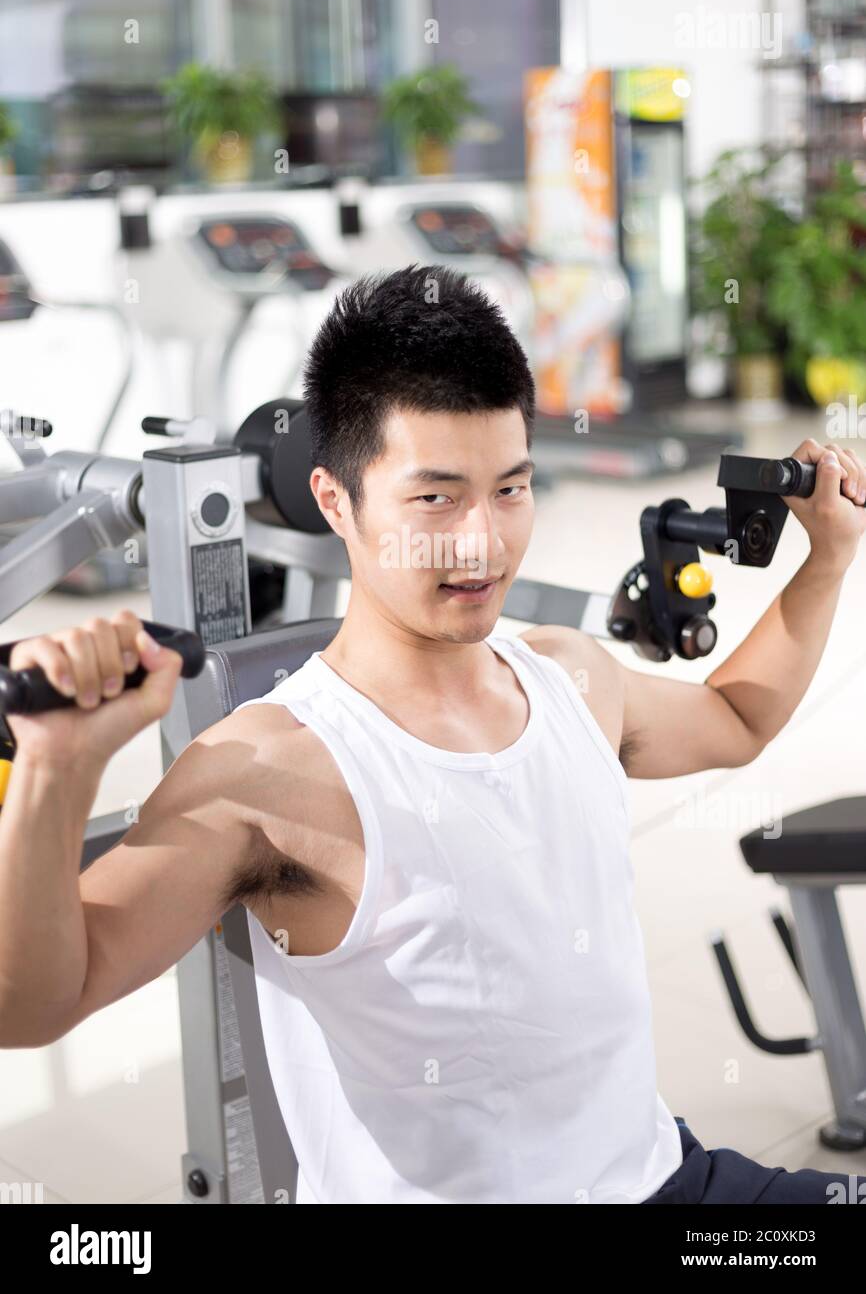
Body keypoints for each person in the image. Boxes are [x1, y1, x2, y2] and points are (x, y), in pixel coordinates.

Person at [0, 264, 864, 1205]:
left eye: (510, 489)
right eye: (436, 498)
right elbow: (35, 1004)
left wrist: (828, 560)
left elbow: (737, 720)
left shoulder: (572, 675)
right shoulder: (264, 773)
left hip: (668, 1182)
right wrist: (56, 770)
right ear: (336, 503)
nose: (482, 543)